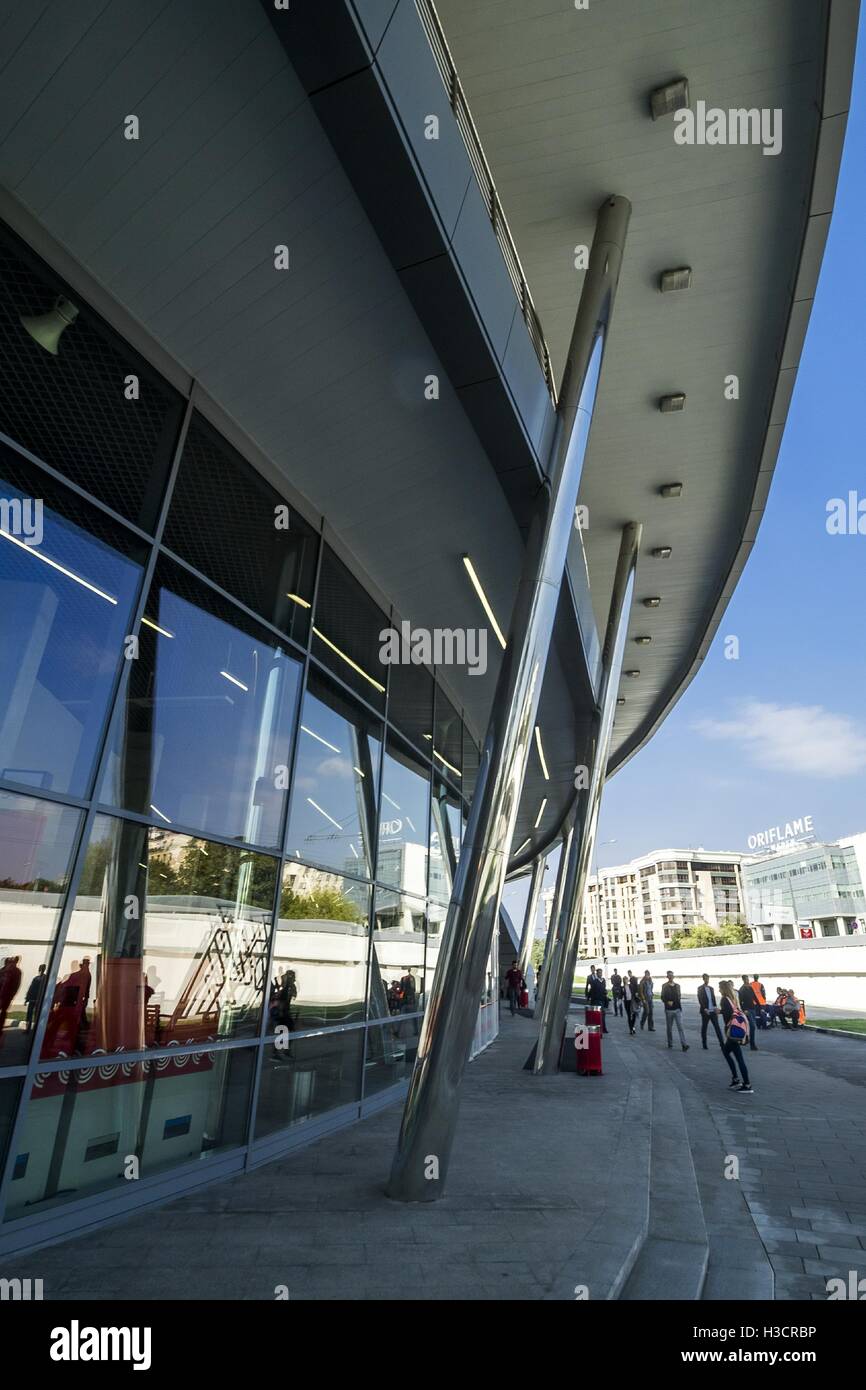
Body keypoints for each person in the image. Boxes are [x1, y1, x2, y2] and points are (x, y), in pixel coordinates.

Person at [719, 979, 753, 1092]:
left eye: (720, 988)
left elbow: (728, 1014)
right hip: (736, 1030)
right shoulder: (733, 998)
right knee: (728, 1053)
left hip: (732, 1032)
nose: (719, 990)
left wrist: (720, 1011)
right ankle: (736, 1079)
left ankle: (745, 1083)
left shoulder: (725, 999)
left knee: (738, 1058)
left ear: (723, 989)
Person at [661, 970, 689, 1051]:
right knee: (669, 1028)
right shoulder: (664, 986)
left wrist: (678, 1004)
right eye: (669, 975)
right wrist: (667, 1002)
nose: (670, 977)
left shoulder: (677, 986)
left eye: (672, 975)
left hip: (677, 1009)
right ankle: (670, 1043)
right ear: (667, 977)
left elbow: (679, 996)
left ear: (673, 977)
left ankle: (684, 1044)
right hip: (669, 1010)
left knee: (680, 1027)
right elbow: (662, 997)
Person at [697, 973, 724, 1050]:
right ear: (703, 979)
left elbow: (713, 999)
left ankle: (722, 1044)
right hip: (705, 1011)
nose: (707, 980)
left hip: (712, 1011)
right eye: (705, 978)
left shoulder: (711, 988)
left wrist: (715, 1008)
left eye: (708, 979)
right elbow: (700, 999)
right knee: (704, 1028)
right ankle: (704, 1044)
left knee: (717, 1027)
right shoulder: (700, 988)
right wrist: (704, 1008)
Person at [0, 956, 22, 1040]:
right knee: (4, 1012)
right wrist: (12, 995)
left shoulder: (4, 970)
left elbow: (4, 983)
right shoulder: (18, 972)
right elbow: (17, 986)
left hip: (2, 994)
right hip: (8, 996)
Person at [737, 975, 759, 1051]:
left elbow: (755, 997)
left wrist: (760, 1006)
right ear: (743, 980)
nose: (747, 980)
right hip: (747, 1010)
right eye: (746, 979)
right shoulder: (742, 989)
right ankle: (752, 1044)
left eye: (748, 979)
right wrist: (744, 1009)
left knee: (751, 1026)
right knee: (752, 1026)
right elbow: (740, 1002)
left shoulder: (750, 988)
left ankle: (745, 1040)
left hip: (753, 1008)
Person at [24, 963, 47, 1031]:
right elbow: (31, 988)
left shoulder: (39, 978)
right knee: (33, 1014)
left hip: (36, 999)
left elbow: (31, 988)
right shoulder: (43, 978)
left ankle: (30, 1029)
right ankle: (30, 1028)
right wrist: (27, 998)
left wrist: (27, 998)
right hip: (36, 999)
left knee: (32, 1014)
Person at [587, 967, 608, 1033]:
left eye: (601, 972)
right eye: (599, 973)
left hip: (602, 999)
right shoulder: (595, 981)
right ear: (597, 973)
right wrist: (589, 998)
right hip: (596, 1000)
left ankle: (603, 1029)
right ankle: (600, 1030)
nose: (600, 974)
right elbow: (592, 990)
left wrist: (605, 992)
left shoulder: (603, 980)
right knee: (599, 1015)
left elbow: (604, 989)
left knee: (603, 1015)